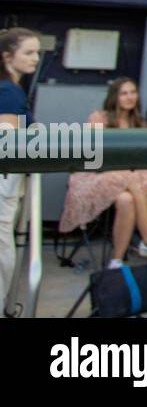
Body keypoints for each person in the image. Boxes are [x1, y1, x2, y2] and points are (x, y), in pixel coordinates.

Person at [58, 78, 147, 267]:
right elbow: (93, 154)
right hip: (95, 175)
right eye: (124, 93)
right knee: (130, 178)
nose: (129, 97)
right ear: (114, 96)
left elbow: (144, 162)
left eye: (133, 92)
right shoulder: (99, 118)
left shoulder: (139, 123)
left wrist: (141, 180)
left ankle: (116, 259)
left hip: (128, 184)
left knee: (127, 199)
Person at [0, 27, 40, 309]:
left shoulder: (11, 89)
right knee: (2, 242)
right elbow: (8, 144)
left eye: (37, 52)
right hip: (4, 182)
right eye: (28, 52)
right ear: (7, 56)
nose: (35, 58)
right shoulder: (8, 91)